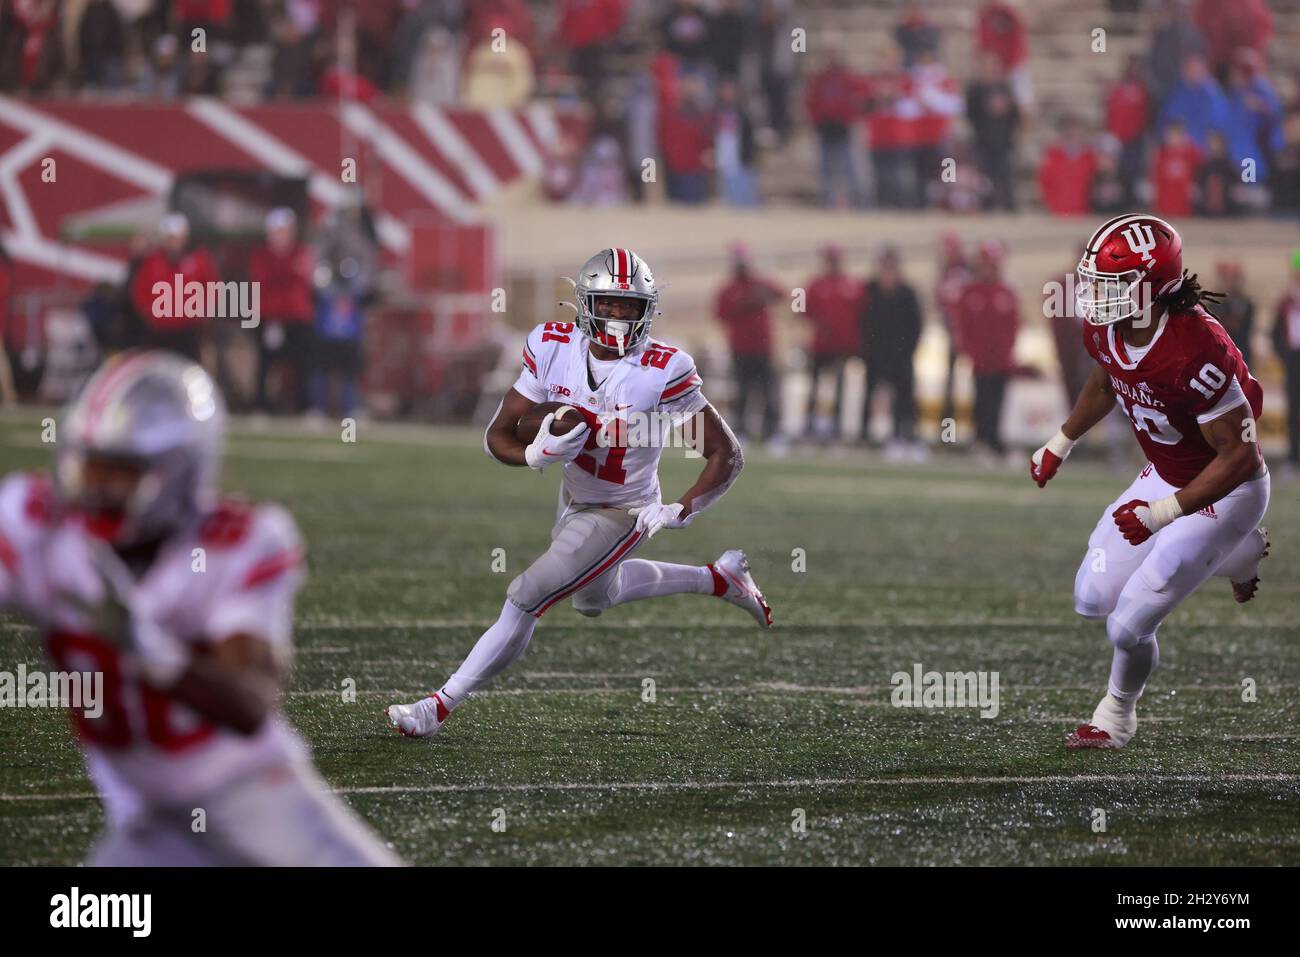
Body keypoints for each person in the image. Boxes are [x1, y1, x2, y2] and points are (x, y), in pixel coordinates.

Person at [0, 350, 400, 864]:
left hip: (251, 793)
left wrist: (147, 646)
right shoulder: (41, 527)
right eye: (89, 463)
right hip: (150, 818)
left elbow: (249, 701)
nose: (96, 487)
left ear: (181, 471)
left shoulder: (238, 543)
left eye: (121, 471)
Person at [387, 248, 772, 737]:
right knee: (594, 598)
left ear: (647, 310)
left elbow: (725, 454)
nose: (617, 316)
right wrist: (532, 453)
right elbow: (496, 434)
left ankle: (437, 706)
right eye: (608, 304)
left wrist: (679, 509)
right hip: (573, 497)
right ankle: (720, 579)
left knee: (526, 595)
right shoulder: (552, 346)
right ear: (586, 303)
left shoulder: (662, 370)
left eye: (628, 306)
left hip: (622, 507)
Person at [1031, 214, 1270, 750]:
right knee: (1091, 595)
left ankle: (1115, 716)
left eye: (1111, 284)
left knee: (1127, 624)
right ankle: (1234, 557)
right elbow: (1106, 377)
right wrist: (1061, 441)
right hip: (1166, 473)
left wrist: (1159, 515)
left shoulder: (1194, 349)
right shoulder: (1107, 327)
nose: (1095, 294)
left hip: (1227, 491)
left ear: (1152, 288)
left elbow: (1238, 457)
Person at [953, 242, 1018, 455]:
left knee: (998, 401)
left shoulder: (1006, 292)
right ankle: (980, 439)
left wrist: (1007, 351)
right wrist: (971, 351)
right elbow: (963, 325)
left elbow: (1014, 325)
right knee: (981, 400)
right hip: (980, 360)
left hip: (1001, 360)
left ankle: (994, 440)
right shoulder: (969, 292)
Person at [714, 246, 784, 441]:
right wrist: (744, 304)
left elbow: (782, 293)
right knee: (743, 391)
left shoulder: (759, 283)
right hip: (741, 349)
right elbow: (720, 314)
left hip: (763, 348)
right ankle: (741, 431)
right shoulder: (729, 289)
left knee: (768, 391)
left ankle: (771, 432)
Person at [249, 208, 315, 414]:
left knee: (302, 364)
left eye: (285, 230)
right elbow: (261, 280)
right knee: (266, 363)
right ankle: (261, 405)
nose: (281, 235)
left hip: (296, 316)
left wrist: (283, 273)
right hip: (269, 316)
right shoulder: (261, 255)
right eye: (278, 230)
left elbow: (304, 277)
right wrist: (286, 272)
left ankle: (304, 407)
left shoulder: (302, 252)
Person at [129, 213, 218, 363]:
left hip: (189, 331)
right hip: (160, 332)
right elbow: (140, 292)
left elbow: (212, 289)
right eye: (172, 238)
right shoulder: (152, 263)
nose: (175, 243)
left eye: (179, 238)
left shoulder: (198, 261)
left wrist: (202, 315)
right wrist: (150, 316)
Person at [859, 247, 922, 451]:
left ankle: (903, 434)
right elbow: (860, 320)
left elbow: (916, 325)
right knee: (869, 392)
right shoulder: (869, 290)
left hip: (900, 354)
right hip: (875, 353)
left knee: (904, 397)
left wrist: (909, 349)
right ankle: (865, 434)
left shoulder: (907, 293)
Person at [801, 244, 862, 440]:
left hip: (842, 346)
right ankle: (810, 424)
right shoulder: (816, 284)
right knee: (814, 386)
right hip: (820, 345)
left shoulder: (852, 286)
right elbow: (802, 310)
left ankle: (836, 426)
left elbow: (861, 314)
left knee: (840, 386)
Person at [1271, 251, 1300, 465]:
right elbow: (1276, 332)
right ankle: (1293, 456)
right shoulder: (1286, 301)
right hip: (1293, 361)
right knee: (1293, 409)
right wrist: (1285, 355)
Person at [1211, 261, 1254, 367]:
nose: (1230, 282)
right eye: (1227, 278)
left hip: (1241, 355)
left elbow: (1246, 329)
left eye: (1234, 279)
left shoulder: (1246, 304)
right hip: (1219, 357)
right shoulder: (1212, 305)